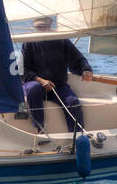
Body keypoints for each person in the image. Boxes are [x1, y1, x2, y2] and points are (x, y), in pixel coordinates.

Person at [22, 16, 93, 145]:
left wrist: (85, 69)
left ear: (50, 26)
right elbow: (24, 70)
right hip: (35, 83)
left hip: (58, 85)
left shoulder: (62, 41)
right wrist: (41, 81)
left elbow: (78, 60)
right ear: (35, 28)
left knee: (73, 102)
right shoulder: (28, 42)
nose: (42, 29)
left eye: (45, 27)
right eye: (39, 27)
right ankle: (40, 131)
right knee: (33, 89)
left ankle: (76, 138)